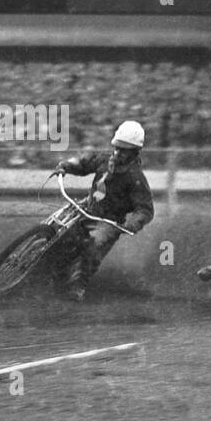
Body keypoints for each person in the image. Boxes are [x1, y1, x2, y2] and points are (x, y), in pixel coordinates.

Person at [53, 120, 154, 301]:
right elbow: (83, 164)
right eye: (117, 147)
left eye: (124, 150)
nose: (118, 153)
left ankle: (78, 286)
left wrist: (133, 223)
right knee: (57, 231)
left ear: (134, 152)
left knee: (94, 247)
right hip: (87, 207)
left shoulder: (136, 178)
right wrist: (66, 166)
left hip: (108, 221)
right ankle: (41, 260)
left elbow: (145, 210)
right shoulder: (104, 160)